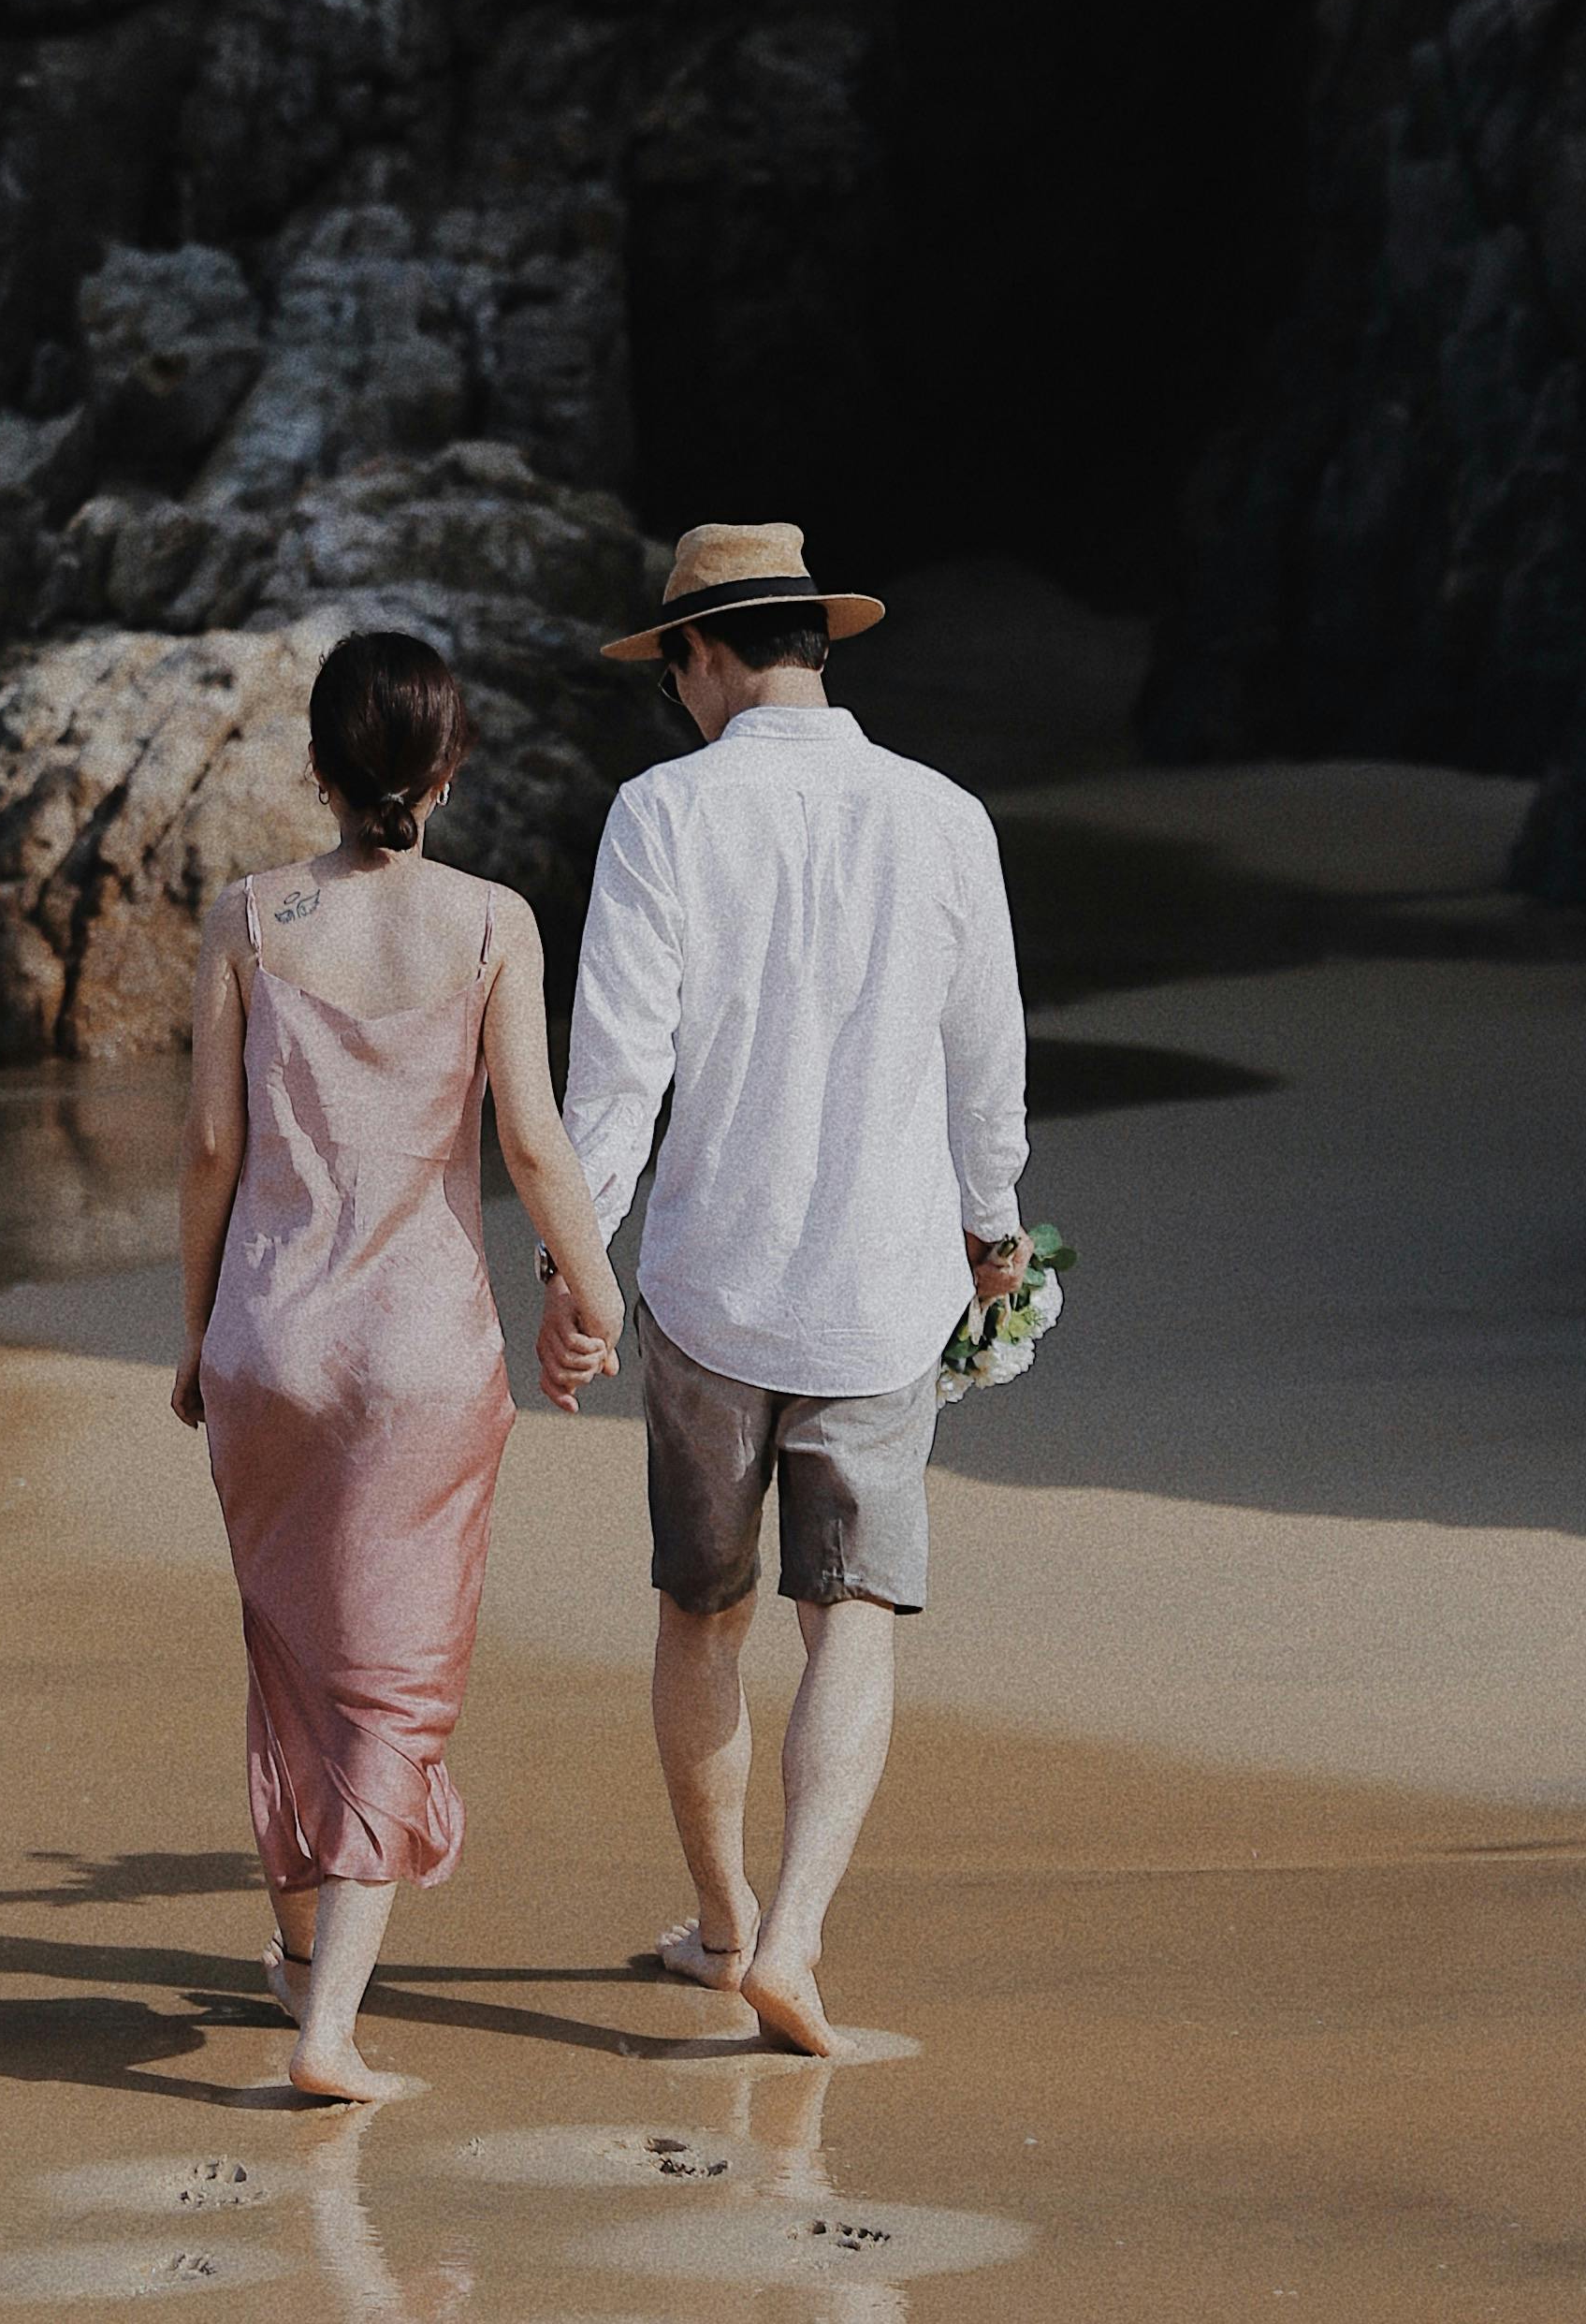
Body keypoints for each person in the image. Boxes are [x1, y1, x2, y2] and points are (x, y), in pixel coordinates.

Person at [539, 519, 1030, 2059]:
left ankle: (729, 1919)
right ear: (818, 641)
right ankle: (799, 1943)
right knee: (857, 1615)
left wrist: (579, 1262)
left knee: (705, 1612)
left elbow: (615, 1077)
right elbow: (987, 1056)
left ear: (704, 654)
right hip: (884, 1289)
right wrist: (996, 1222)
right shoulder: (944, 815)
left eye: (671, 667)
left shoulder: (662, 815)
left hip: (708, 1286)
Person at [174, 622, 629, 2106]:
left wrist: (194, 1336)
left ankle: (304, 1963)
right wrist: (595, 1288)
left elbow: (208, 1152)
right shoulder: (495, 923)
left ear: (316, 767)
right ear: (451, 769)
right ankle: (327, 2036)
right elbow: (532, 1142)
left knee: (293, 1656)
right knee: (393, 1682)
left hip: (272, 1340)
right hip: (423, 1356)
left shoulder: (248, 919)